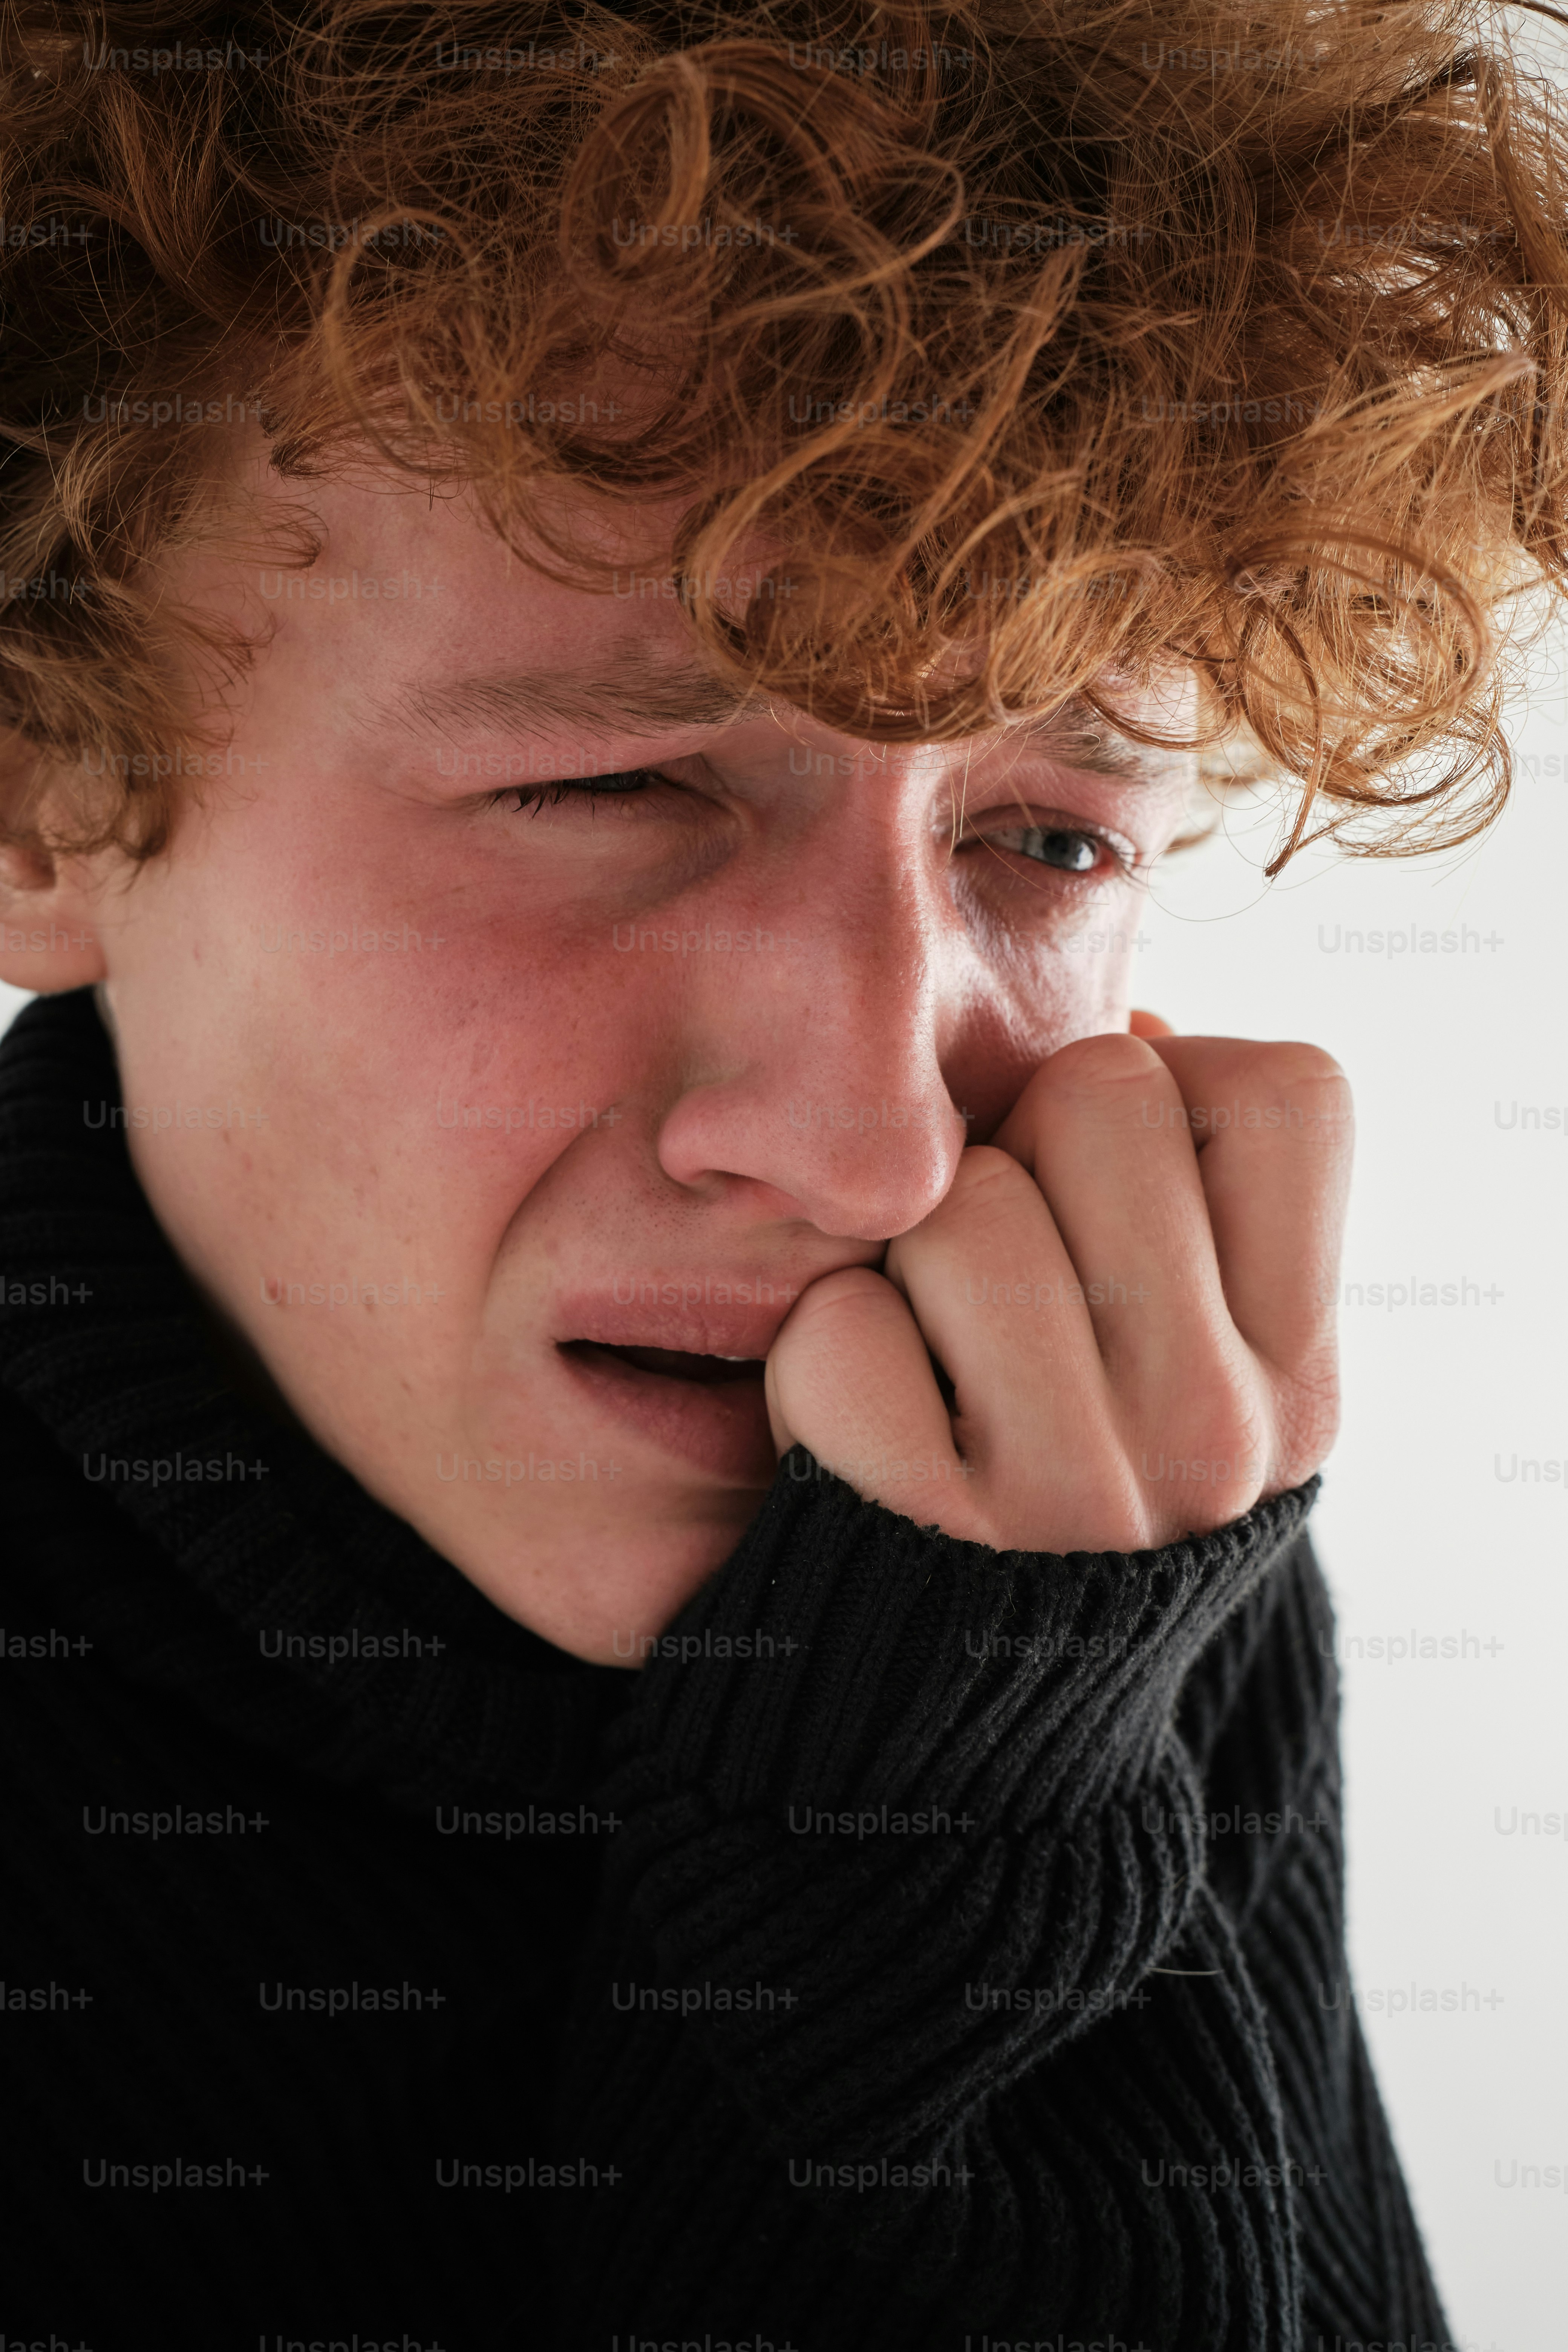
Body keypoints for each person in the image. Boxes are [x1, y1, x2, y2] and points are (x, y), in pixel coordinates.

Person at [0, 2, 1556, 2343]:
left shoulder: (1078, 1559)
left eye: (1043, 837)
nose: (876, 1142)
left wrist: (965, 1807)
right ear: (45, 794)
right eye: (609, 792)